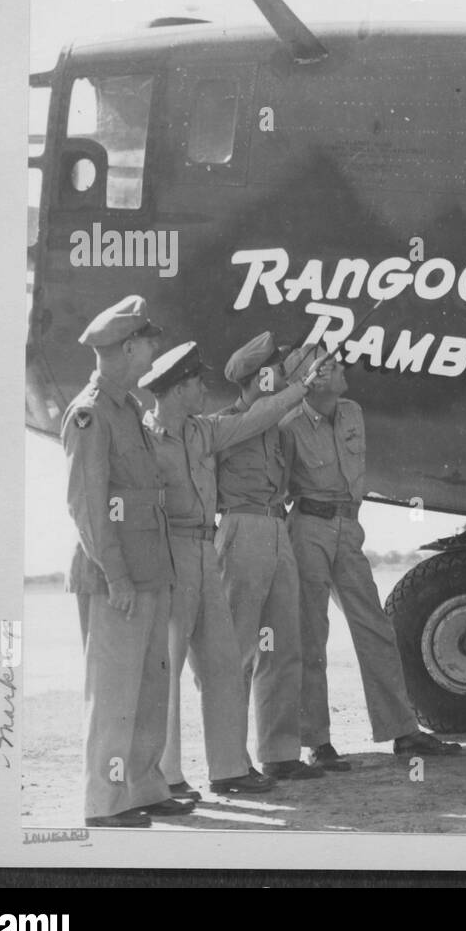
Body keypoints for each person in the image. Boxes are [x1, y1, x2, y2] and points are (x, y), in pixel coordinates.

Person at [140, 341, 329, 799]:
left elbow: (259, 417)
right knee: (170, 664)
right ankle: (165, 775)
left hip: (206, 548)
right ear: (177, 389)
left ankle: (229, 770)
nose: (203, 390)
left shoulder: (203, 432)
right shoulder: (146, 440)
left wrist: (301, 385)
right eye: (195, 384)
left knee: (224, 662)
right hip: (174, 553)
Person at [281, 359, 461, 765]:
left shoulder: (352, 413)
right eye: (326, 363)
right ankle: (317, 743)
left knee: (376, 629)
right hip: (308, 527)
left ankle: (403, 731)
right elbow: (279, 489)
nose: (339, 365)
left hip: (349, 529)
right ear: (308, 381)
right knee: (311, 636)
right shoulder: (288, 426)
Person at [63, 295, 189, 827]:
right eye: (148, 344)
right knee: (115, 694)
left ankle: (142, 786)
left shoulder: (129, 409)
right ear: (129, 346)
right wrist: (116, 576)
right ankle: (106, 802)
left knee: (148, 687)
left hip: (148, 571)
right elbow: (87, 507)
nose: (154, 352)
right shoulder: (91, 413)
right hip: (117, 577)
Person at [215, 332, 326, 781]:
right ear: (258, 376)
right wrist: (299, 388)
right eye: (277, 370)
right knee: (239, 651)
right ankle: (230, 760)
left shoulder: (276, 422)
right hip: (242, 529)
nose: (283, 375)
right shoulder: (227, 422)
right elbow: (266, 415)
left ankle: (279, 753)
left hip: (275, 527)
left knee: (281, 645)